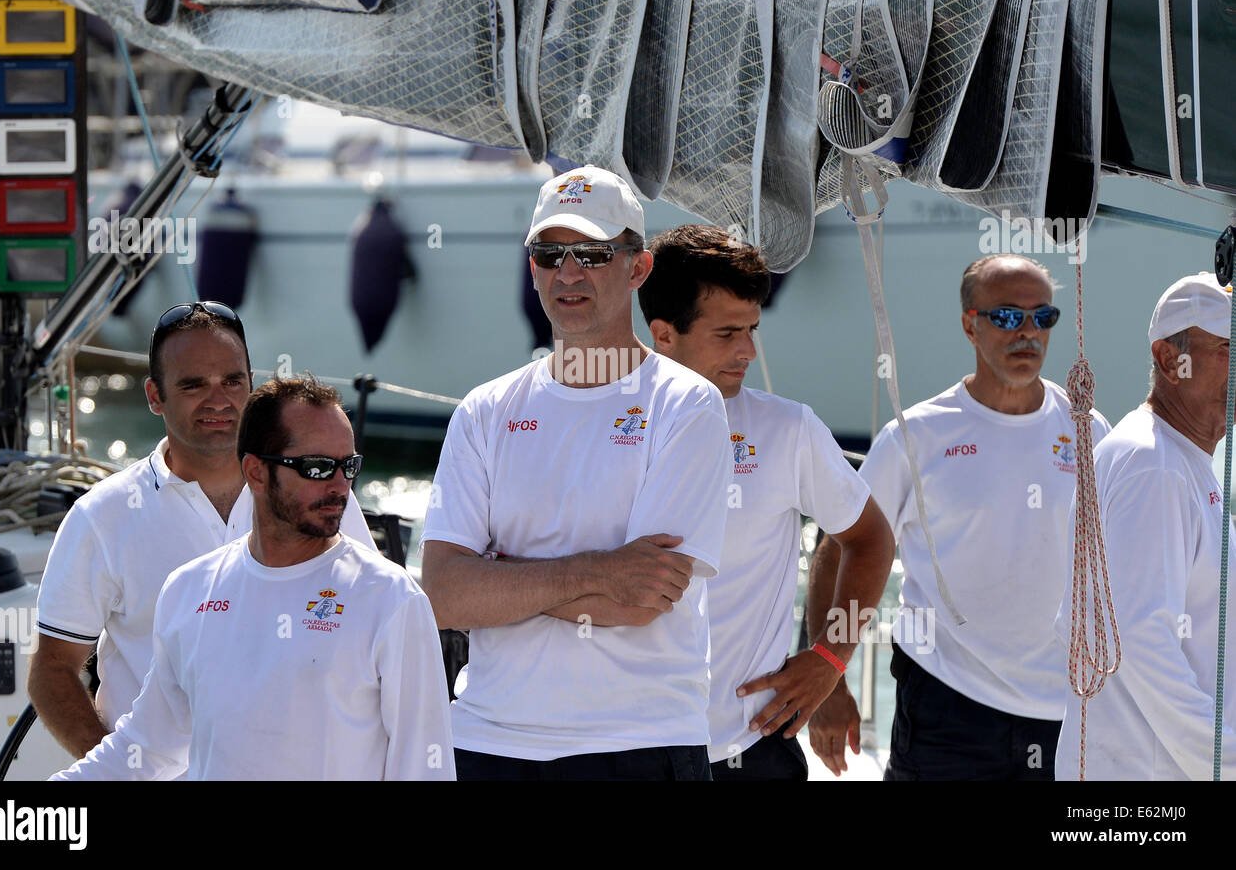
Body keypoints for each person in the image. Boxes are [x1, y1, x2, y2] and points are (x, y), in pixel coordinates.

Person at [420, 165, 731, 781]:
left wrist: (499, 582)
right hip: (489, 741)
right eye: (549, 253)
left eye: (591, 253)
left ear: (638, 267)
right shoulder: (485, 410)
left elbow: (642, 598)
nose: (567, 272)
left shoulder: (687, 405)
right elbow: (444, 594)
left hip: (640, 745)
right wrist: (600, 571)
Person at [52, 377, 454, 780]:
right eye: (317, 467)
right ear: (256, 473)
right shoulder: (188, 591)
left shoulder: (393, 601)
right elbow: (146, 749)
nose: (340, 486)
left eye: (349, 466)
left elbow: (424, 769)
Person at [30, 302, 380, 760]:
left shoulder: (314, 492)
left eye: (233, 381)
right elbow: (52, 669)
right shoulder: (102, 517)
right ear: (155, 396)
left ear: (252, 388)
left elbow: (372, 622)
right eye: (194, 384)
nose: (219, 400)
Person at [811, 254, 1110, 780]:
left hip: (1065, 714)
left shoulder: (1088, 430)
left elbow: (1116, 567)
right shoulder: (918, 436)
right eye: (1007, 317)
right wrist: (830, 681)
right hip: (944, 707)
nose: (1028, 333)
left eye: (1043, 317)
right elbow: (835, 549)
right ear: (970, 323)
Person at [637, 224, 894, 781]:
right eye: (728, 333)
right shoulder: (607, 428)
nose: (749, 350)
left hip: (752, 752)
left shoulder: (787, 430)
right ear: (664, 334)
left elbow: (870, 540)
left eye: (752, 329)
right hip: (624, 750)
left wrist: (829, 661)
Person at [1055, 272, 1236, 780]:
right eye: (1227, 346)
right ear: (1166, 358)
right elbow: (1141, 641)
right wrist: (1225, 761)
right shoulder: (1155, 466)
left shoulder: (1164, 457)